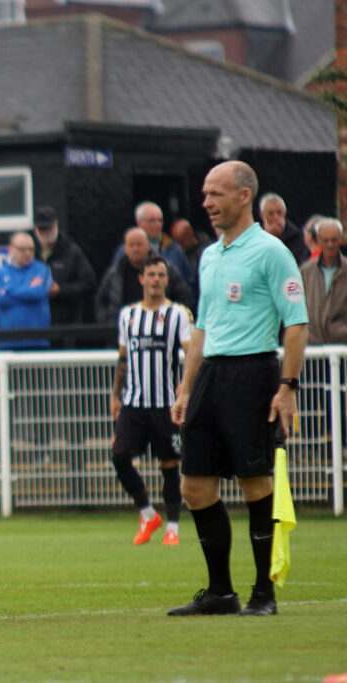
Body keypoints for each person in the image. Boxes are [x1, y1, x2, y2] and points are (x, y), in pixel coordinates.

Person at [168, 160, 308, 617]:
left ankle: (264, 595)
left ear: (244, 196)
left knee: (254, 482)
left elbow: (296, 323)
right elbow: (202, 329)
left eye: (216, 193)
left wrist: (288, 386)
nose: (206, 203)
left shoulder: (271, 252)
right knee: (194, 487)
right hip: (210, 376)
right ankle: (220, 593)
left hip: (254, 374)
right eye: (206, 194)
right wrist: (186, 389)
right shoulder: (209, 255)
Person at [109, 255, 192, 546]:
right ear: (142, 279)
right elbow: (123, 358)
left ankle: (172, 527)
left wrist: (186, 388)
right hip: (133, 403)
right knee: (119, 456)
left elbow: (192, 352)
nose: (156, 279)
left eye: (161, 274)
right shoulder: (128, 314)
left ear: (167, 280)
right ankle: (147, 513)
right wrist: (115, 395)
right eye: (151, 274)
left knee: (169, 464)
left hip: (165, 404)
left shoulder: (179, 314)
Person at [96, 227, 193, 326]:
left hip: (160, 330)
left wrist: (173, 321)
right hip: (122, 331)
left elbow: (184, 297)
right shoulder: (114, 274)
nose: (135, 249)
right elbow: (100, 300)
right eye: (131, 245)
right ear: (125, 248)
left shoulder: (167, 270)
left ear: (148, 246)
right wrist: (107, 323)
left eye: (139, 244)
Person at [31, 205, 96, 328]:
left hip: (66, 324)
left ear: (56, 224)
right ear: (35, 230)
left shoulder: (72, 251)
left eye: (48, 228)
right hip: (36, 326)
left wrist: (61, 290)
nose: (45, 232)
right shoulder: (30, 253)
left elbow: (89, 284)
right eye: (41, 229)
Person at [111, 202, 194, 292]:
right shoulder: (125, 251)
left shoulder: (174, 249)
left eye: (160, 220)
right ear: (139, 223)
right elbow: (114, 282)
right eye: (152, 220)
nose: (157, 224)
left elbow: (189, 282)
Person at [0, 231, 51, 349]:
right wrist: (28, 292)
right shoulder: (1, 272)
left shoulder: (42, 269)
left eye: (31, 249)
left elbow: (40, 292)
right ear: (11, 249)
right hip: (7, 343)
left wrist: (10, 291)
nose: (28, 253)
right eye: (23, 249)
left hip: (38, 342)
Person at [300, 218, 347, 344]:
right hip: (312, 348)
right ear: (318, 241)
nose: (330, 245)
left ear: (341, 240)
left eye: (334, 240)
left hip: (341, 346)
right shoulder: (306, 271)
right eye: (326, 240)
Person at [259, 192, 309, 265]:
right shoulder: (256, 237)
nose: (276, 217)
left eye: (279, 213)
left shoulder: (297, 237)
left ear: (285, 212)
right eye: (271, 213)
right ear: (262, 215)